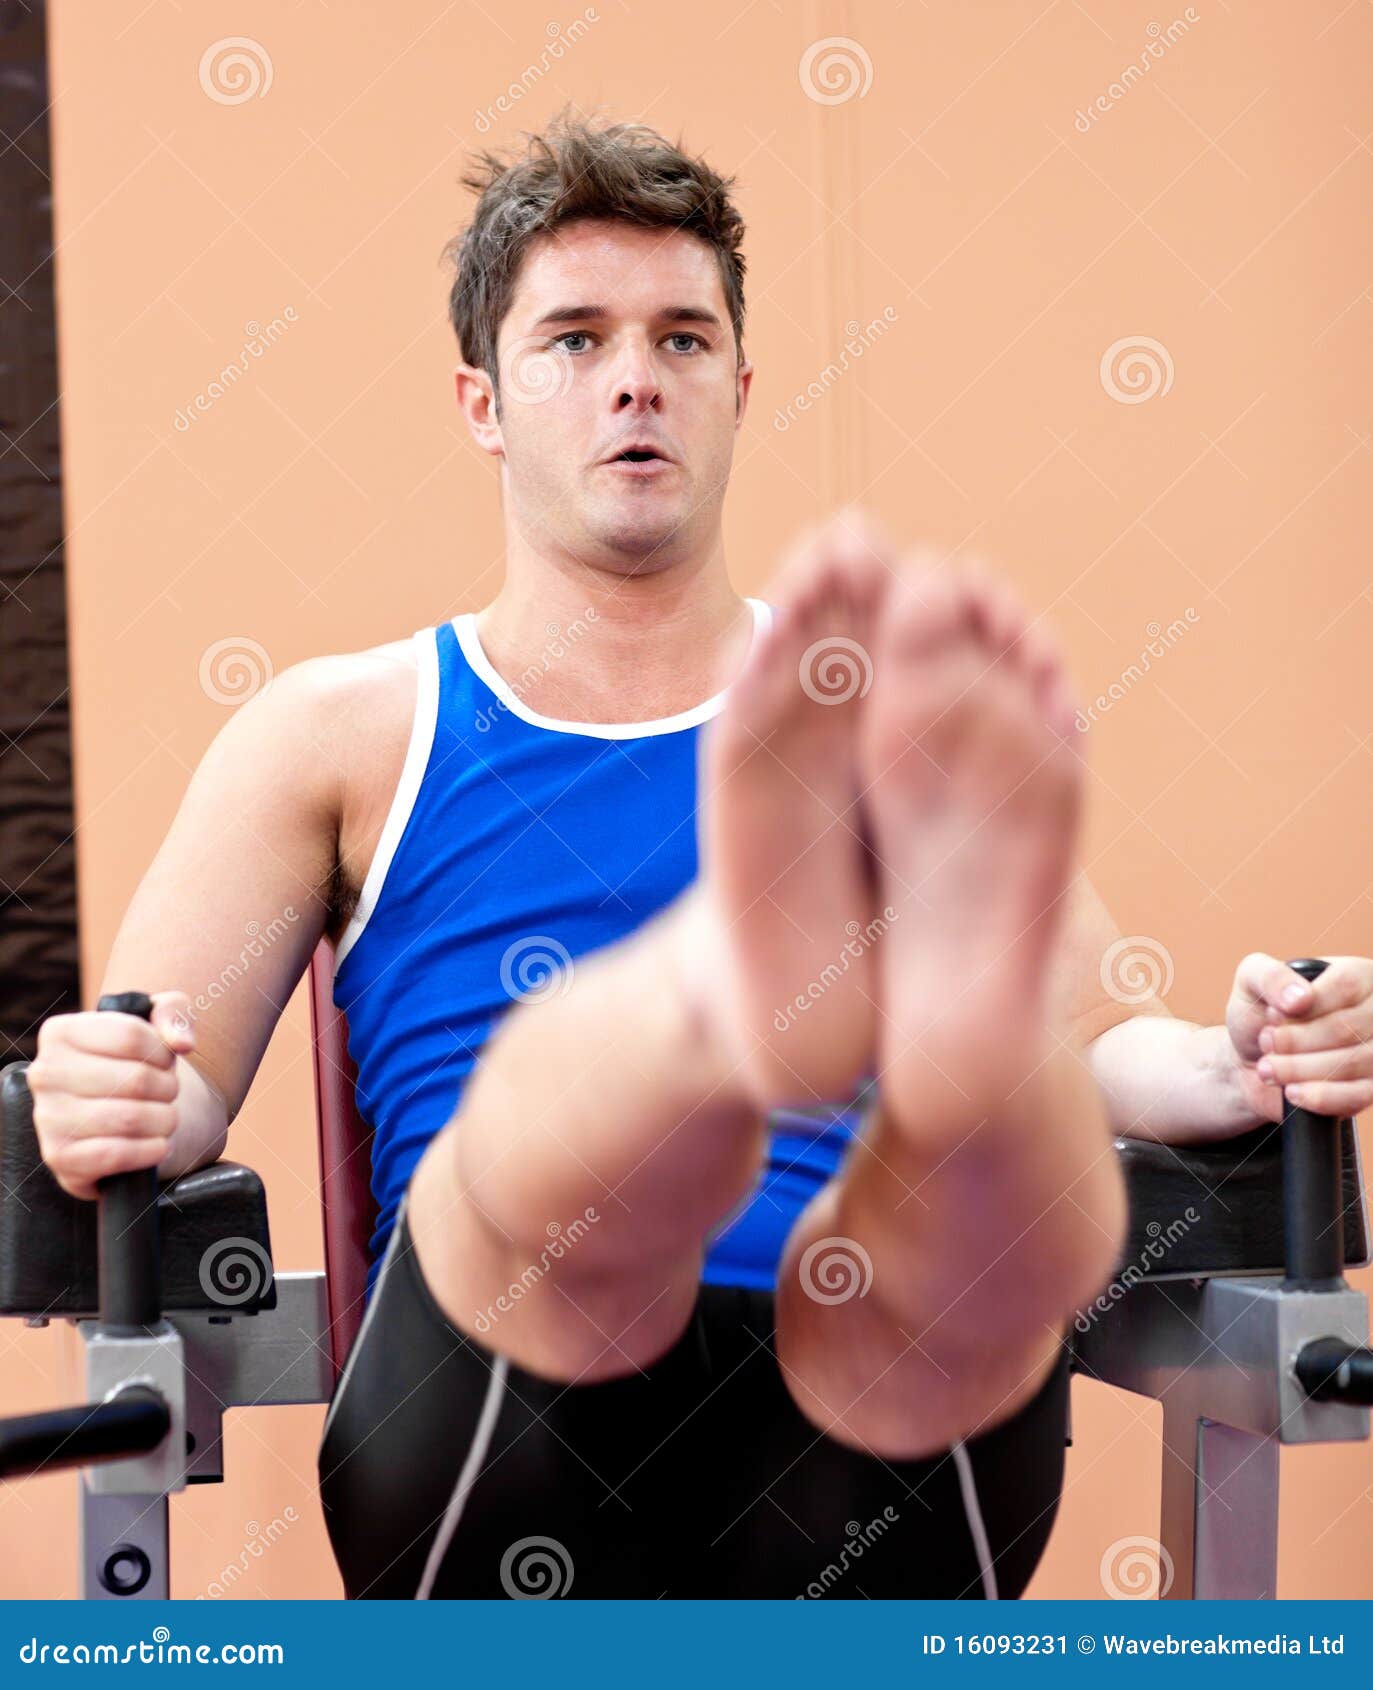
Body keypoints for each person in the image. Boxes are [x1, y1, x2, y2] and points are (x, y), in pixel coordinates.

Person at [27, 114, 1373, 1600]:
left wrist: (1242, 1064)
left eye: (681, 337)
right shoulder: (333, 733)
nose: (634, 379)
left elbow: (1098, 1039)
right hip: (497, 1426)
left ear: (737, 388)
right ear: (482, 402)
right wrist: (112, 1093)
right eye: (574, 340)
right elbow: (167, 1078)